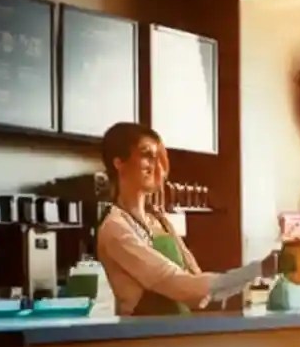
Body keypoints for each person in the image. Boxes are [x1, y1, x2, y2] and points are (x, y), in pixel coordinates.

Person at [96, 122, 277, 315]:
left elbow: (196, 282)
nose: (156, 165)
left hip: (180, 332)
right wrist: (257, 269)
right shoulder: (115, 228)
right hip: (146, 338)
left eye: (158, 157)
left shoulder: (160, 220)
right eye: (146, 155)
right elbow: (175, 282)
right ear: (119, 163)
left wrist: (257, 273)